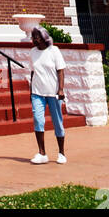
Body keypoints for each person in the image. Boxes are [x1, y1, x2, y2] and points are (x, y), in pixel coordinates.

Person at [27, 25, 67, 164]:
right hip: (37, 93)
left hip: (53, 93)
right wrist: (31, 89)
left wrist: (60, 89)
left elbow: (60, 71)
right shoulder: (32, 52)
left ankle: (61, 153)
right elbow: (33, 72)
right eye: (33, 37)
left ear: (43, 37)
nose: (34, 40)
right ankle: (42, 153)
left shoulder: (53, 50)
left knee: (57, 122)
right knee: (38, 120)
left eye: (36, 37)